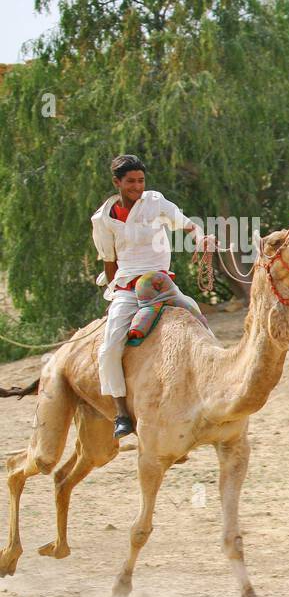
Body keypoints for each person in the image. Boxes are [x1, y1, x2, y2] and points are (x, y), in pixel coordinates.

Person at [90, 154, 214, 438]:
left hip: (161, 282)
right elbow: (109, 263)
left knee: (199, 319)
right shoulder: (103, 219)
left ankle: (213, 385)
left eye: (141, 180)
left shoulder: (156, 201)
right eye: (131, 181)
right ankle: (121, 413)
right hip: (128, 287)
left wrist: (201, 238)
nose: (137, 186)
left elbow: (189, 225)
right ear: (117, 182)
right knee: (109, 348)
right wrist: (114, 294)